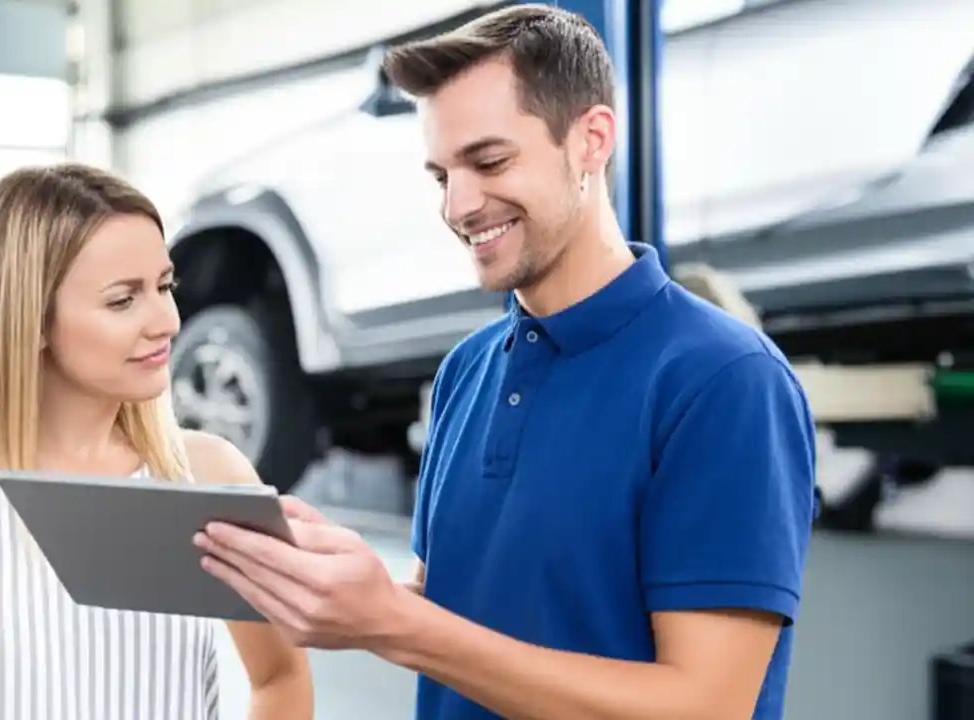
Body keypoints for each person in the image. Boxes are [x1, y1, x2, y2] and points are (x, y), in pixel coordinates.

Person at [192, 5, 817, 720]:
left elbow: (704, 708)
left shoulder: (724, 381)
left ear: (591, 140)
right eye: (441, 175)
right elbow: (452, 612)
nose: (458, 206)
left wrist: (400, 624)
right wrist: (347, 587)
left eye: (489, 162)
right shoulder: (467, 370)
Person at [0, 163, 314, 719]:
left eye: (165, 286)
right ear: (32, 319)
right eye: (122, 300)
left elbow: (280, 676)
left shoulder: (211, 476)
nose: (166, 321)